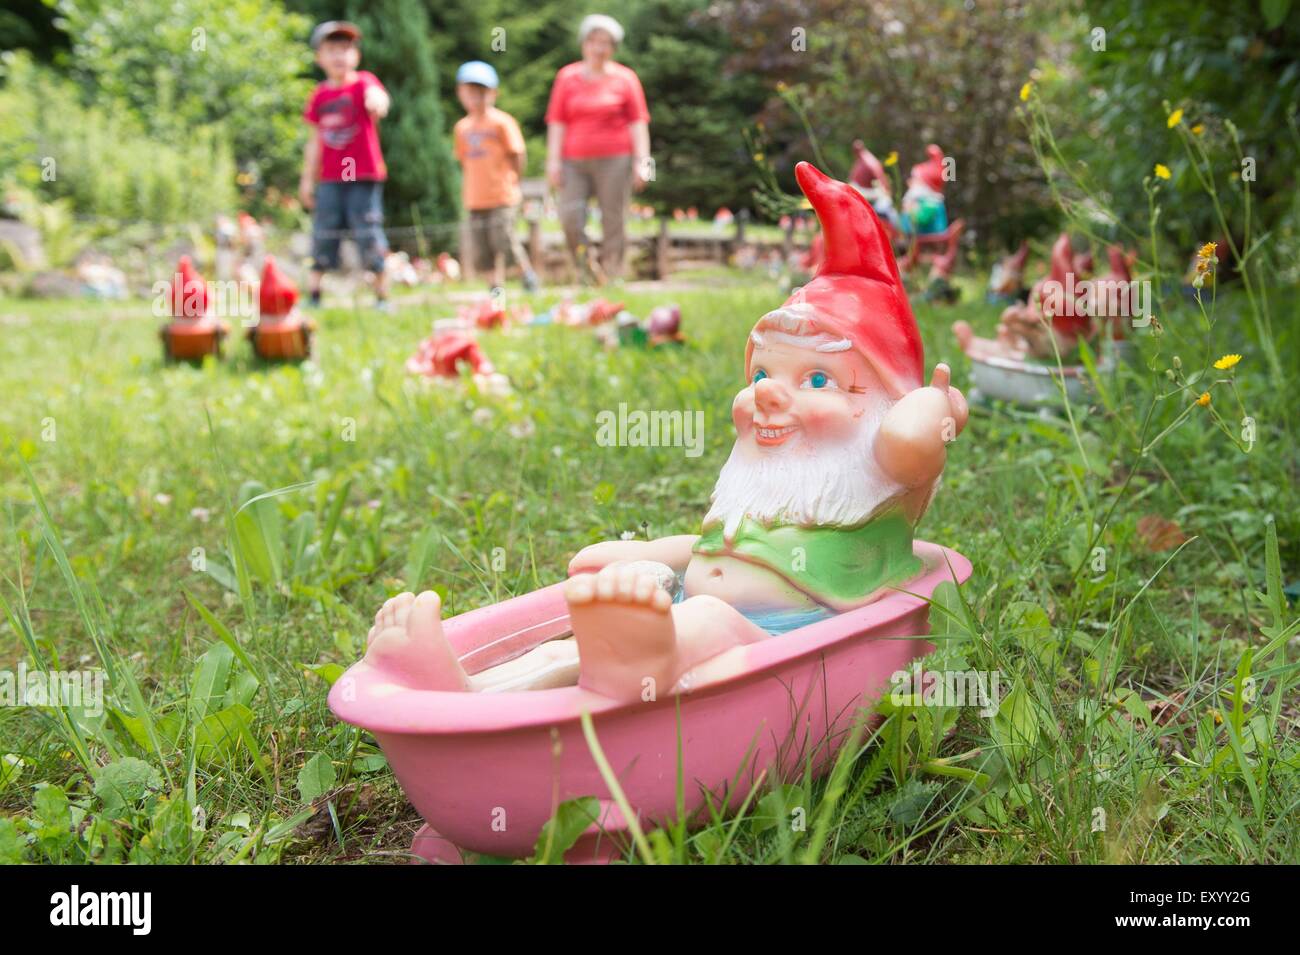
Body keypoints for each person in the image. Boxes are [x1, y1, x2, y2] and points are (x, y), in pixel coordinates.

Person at [358, 163, 969, 698]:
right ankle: (466, 689)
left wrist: (934, 405)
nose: (766, 393)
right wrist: (648, 555)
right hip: (682, 614)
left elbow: (914, 441)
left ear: (888, 407)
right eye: (760, 372)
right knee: (562, 650)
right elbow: (707, 547)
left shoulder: (875, 477)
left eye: (817, 381)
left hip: (769, 635)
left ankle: (632, 663)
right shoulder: (770, 495)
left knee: (701, 624)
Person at [544, 14, 650, 283]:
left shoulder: (627, 79)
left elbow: (639, 123)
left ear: (613, 48)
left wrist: (644, 164)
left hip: (616, 159)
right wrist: (552, 161)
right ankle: (587, 273)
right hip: (572, 160)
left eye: (605, 42)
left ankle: (613, 276)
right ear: (584, 44)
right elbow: (557, 122)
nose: (599, 48)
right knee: (570, 218)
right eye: (594, 41)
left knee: (614, 219)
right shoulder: (566, 77)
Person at [298, 21, 392, 311]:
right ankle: (314, 296)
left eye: (346, 49)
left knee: (368, 232)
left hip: (362, 176)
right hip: (330, 179)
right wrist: (306, 180)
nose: (339, 56)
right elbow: (314, 142)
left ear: (356, 55)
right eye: (331, 50)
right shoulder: (319, 96)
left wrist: (377, 101)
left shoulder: (364, 83)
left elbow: (379, 99)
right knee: (323, 233)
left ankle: (382, 297)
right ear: (319, 58)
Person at [452, 61, 540, 293]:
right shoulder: (462, 128)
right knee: (482, 249)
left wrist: (513, 181)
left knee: (504, 241)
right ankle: (495, 287)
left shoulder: (502, 122)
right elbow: (463, 160)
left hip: (502, 195)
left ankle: (527, 276)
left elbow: (517, 155)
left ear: (493, 94)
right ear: (460, 93)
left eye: (481, 92)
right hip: (474, 198)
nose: (476, 97)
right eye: (470, 91)